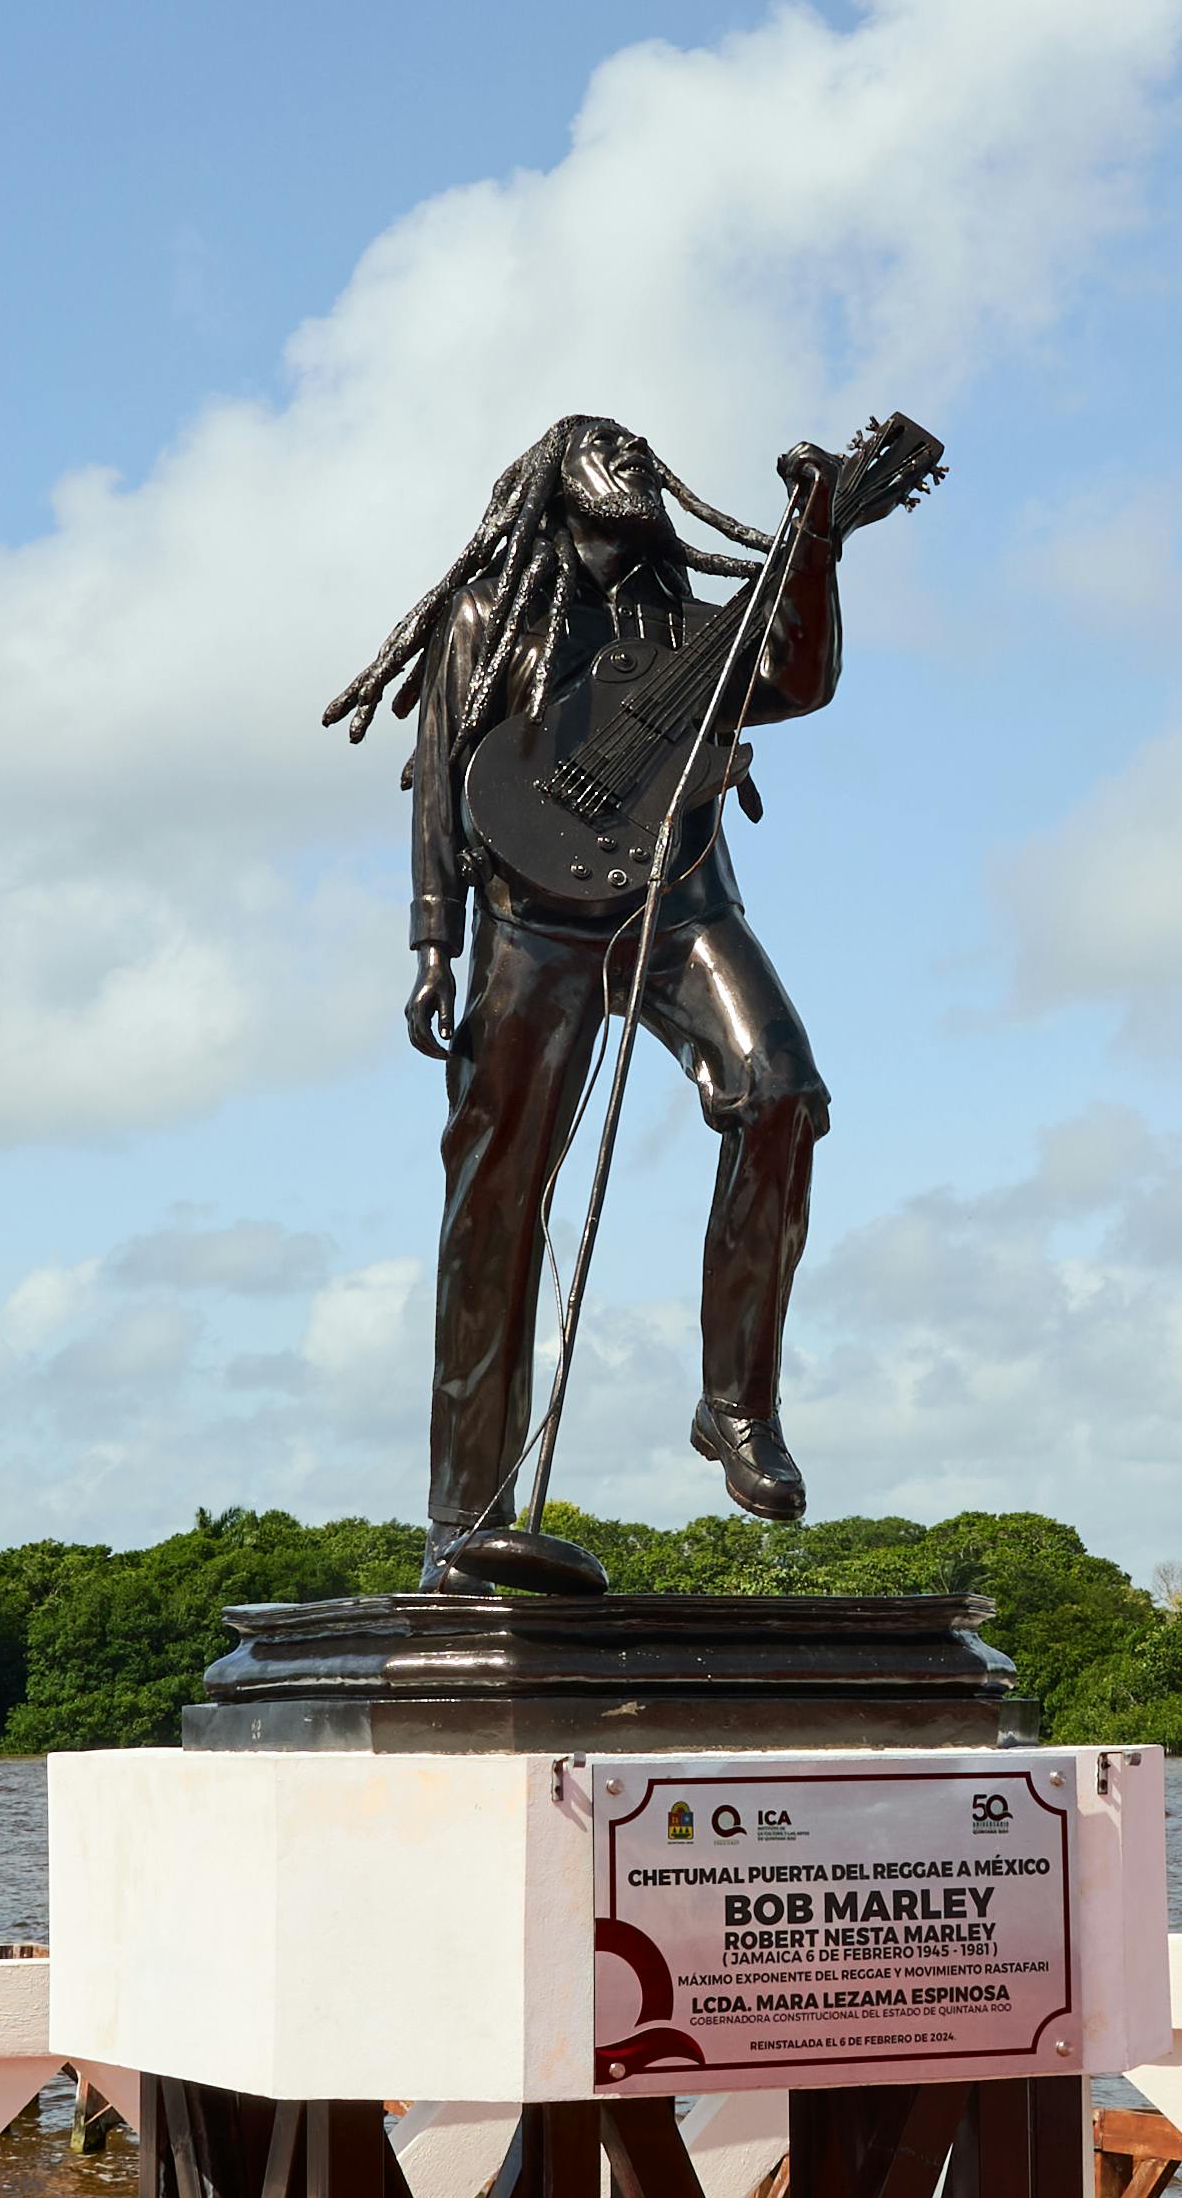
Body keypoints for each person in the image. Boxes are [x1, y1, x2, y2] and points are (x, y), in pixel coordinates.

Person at [317, 410, 930, 1595]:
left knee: (782, 1094)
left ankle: (736, 1405)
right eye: (599, 442)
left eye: (639, 445)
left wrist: (819, 535)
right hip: (527, 920)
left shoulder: (681, 622)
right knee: (495, 1201)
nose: (627, 453)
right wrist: (434, 939)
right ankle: (463, 1520)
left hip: (677, 903)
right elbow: (442, 779)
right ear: (549, 480)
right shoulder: (487, 619)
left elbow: (795, 683)